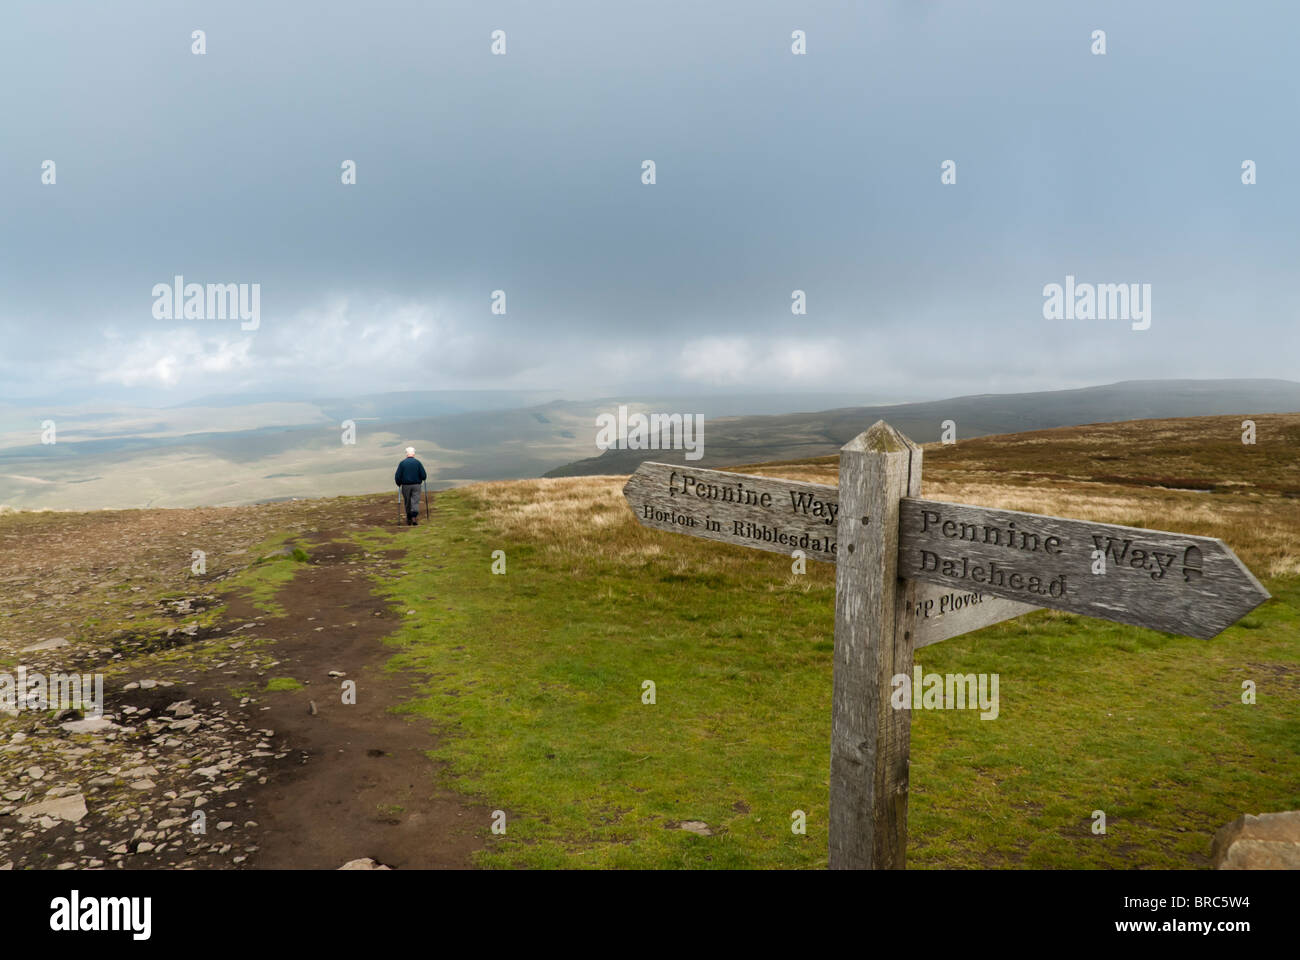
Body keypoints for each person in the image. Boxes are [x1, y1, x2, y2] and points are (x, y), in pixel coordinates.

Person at [394, 446, 427, 526]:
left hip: (405, 486)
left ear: (406, 454)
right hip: (416, 485)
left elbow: (398, 476)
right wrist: (422, 478)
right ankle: (414, 518)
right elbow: (423, 475)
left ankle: (409, 517)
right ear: (414, 453)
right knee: (415, 501)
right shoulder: (418, 462)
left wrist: (398, 483)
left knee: (407, 501)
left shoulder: (402, 463)